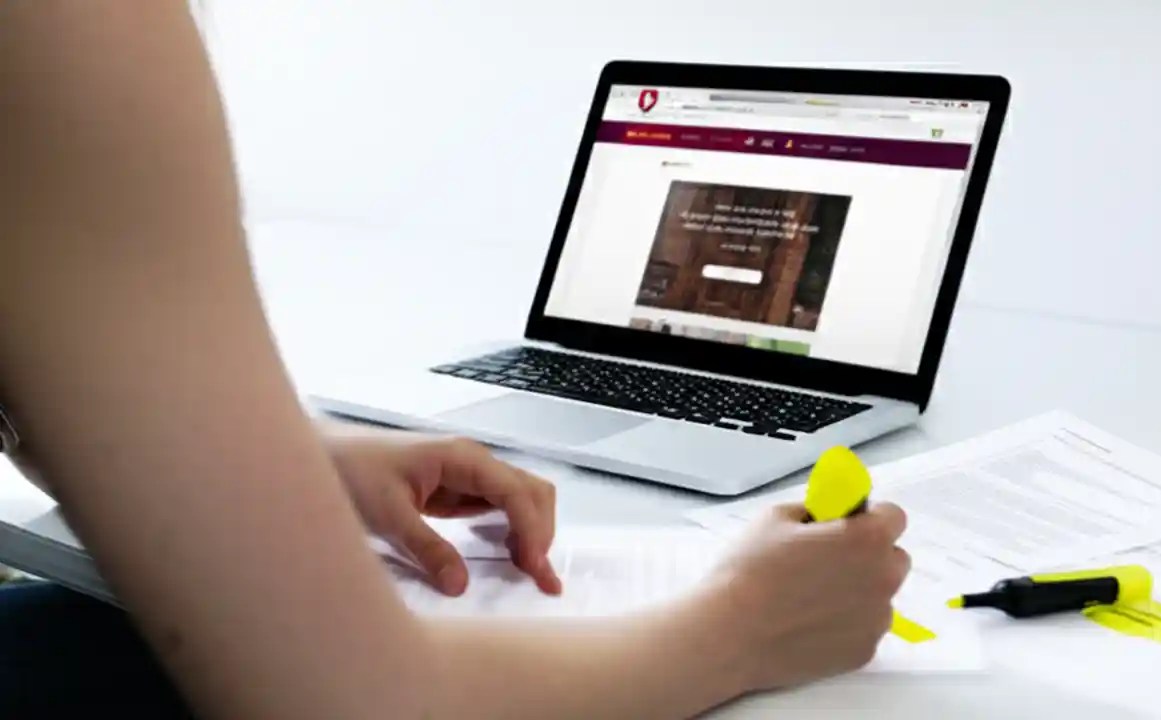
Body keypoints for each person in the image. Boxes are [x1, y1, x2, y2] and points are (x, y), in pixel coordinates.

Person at [0, 2, 911, 718]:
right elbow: (356, 702)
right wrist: (746, 627)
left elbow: (33, 402)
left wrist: (287, 467)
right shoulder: (73, 31)